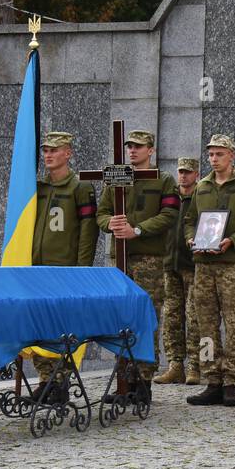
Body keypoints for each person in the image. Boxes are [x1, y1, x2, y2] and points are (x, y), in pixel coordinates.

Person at [184, 135, 235, 407]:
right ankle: (212, 380)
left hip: (233, 265)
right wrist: (191, 238)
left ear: (232, 155)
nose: (214, 159)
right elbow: (189, 221)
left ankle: (231, 380)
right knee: (206, 324)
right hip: (204, 265)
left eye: (219, 154)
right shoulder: (202, 186)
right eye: (210, 154)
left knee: (233, 324)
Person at [96, 129, 180, 388]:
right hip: (119, 258)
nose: (133, 151)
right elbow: (101, 213)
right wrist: (110, 223)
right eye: (130, 146)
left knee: (146, 316)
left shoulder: (163, 180)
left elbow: (170, 214)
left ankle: (143, 377)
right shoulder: (116, 179)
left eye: (139, 147)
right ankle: (124, 376)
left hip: (149, 259)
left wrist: (138, 230)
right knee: (120, 316)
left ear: (151, 150)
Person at [29, 132, 98, 398]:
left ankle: (61, 379)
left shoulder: (79, 188)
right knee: (40, 325)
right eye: (45, 150)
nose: (48, 154)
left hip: (65, 269)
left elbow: (87, 232)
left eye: (55, 150)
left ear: (68, 153)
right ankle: (45, 378)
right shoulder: (39, 188)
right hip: (37, 269)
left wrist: (81, 269)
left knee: (62, 325)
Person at [157, 156, 199, 386]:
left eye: (188, 172)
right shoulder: (170, 197)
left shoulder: (200, 196)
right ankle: (175, 364)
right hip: (169, 263)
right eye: (181, 171)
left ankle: (195, 365)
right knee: (172, 317)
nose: (183, 175)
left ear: (196, 175)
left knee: (194, 317)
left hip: (192, 265)